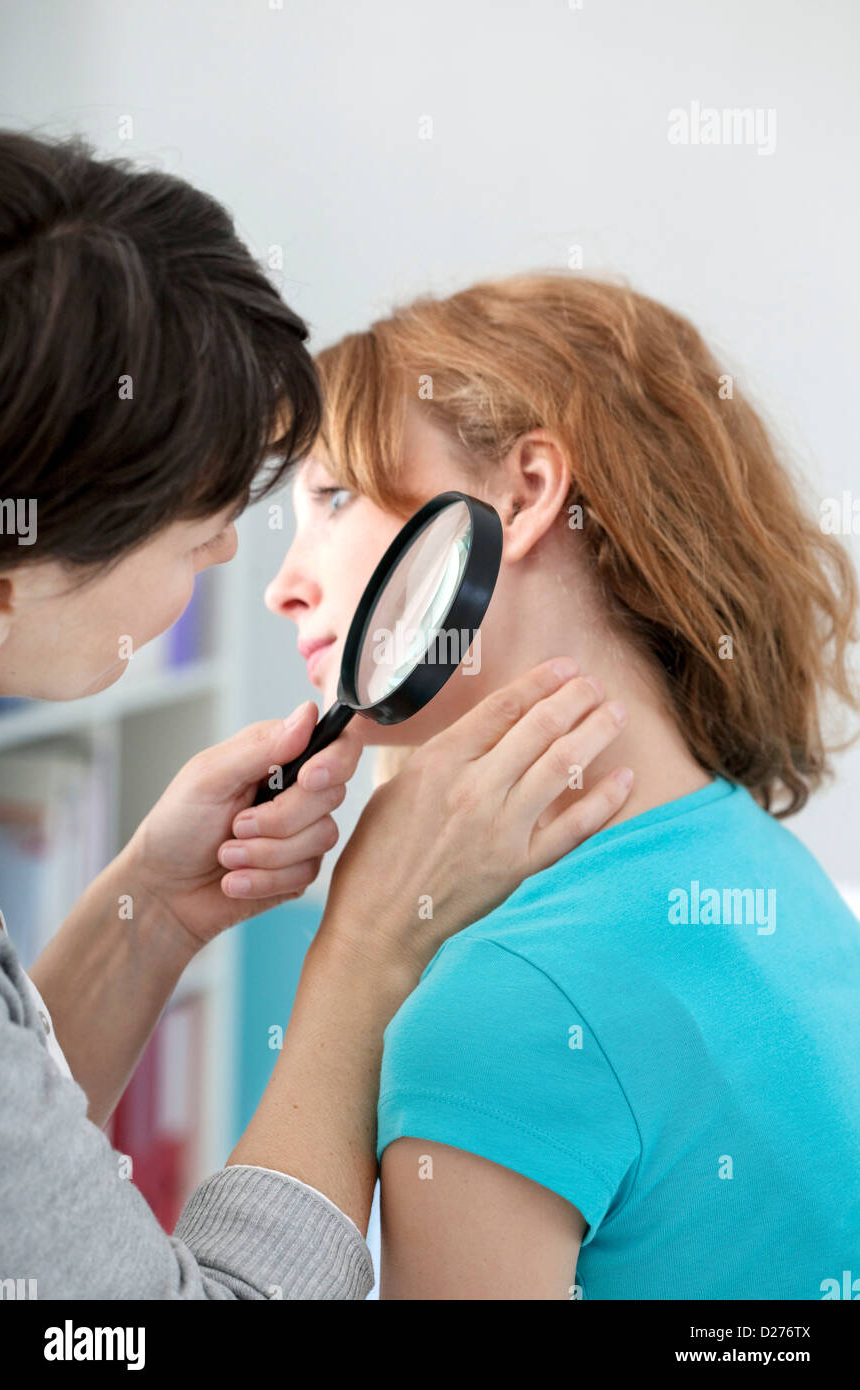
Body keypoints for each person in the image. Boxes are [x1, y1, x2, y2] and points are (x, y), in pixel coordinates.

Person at [0, 133, 634, 1299]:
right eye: (205, 520)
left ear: (526, 496)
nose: (254, 564)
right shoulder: (486, 1005)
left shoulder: (547, 981)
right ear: (8, 580)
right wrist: (364, 948)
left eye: (330, 497)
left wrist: (149, 911)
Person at [264, 270, 860, 1299]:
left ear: (525, 492)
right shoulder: (759, 862)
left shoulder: (501, 1002)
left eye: (333, 497)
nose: (285, 584)